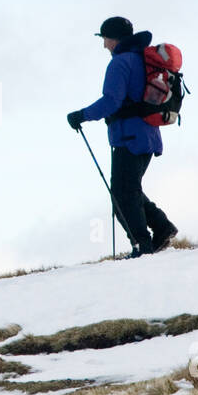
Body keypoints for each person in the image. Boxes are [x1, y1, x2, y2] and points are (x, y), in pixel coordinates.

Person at [67, 16, 178, 256]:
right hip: (148, 135)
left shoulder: (120, 63)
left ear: (115, 39)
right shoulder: (142, 59)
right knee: (129, 190)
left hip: (129, 138)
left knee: (122, 196)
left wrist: (81, 115)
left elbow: (112, 101)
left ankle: (142, 244)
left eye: (105, 39)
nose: (104, 45)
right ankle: (162, 227)